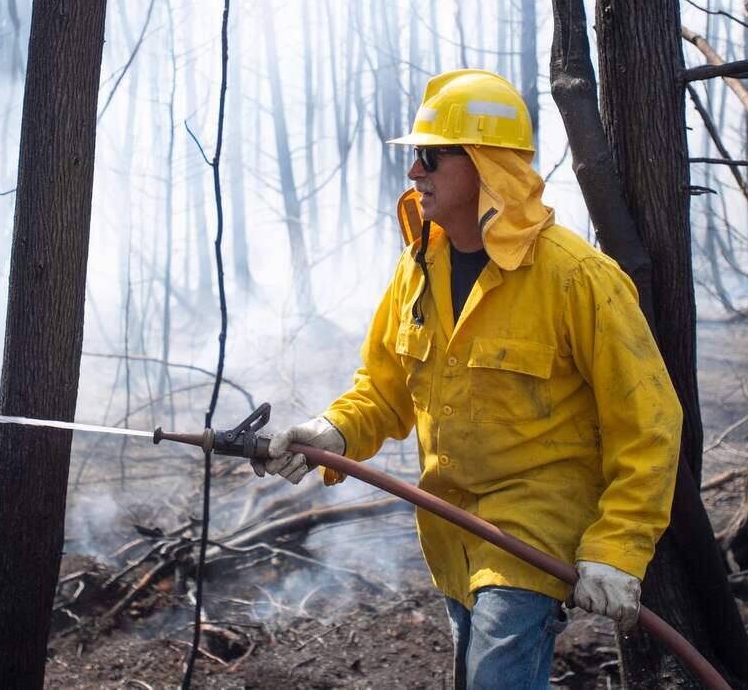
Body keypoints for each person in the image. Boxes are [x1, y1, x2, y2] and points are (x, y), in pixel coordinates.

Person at [260, 70, 682, 689]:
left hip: (536, 531)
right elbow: (383, 389)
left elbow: (649, 423)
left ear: (486, 163)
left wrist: (617, 551)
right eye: (414, 157)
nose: (414, 173)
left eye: (430, 156)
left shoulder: (575, 276)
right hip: (450, 528)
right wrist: (332, 431)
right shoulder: (418, 268)